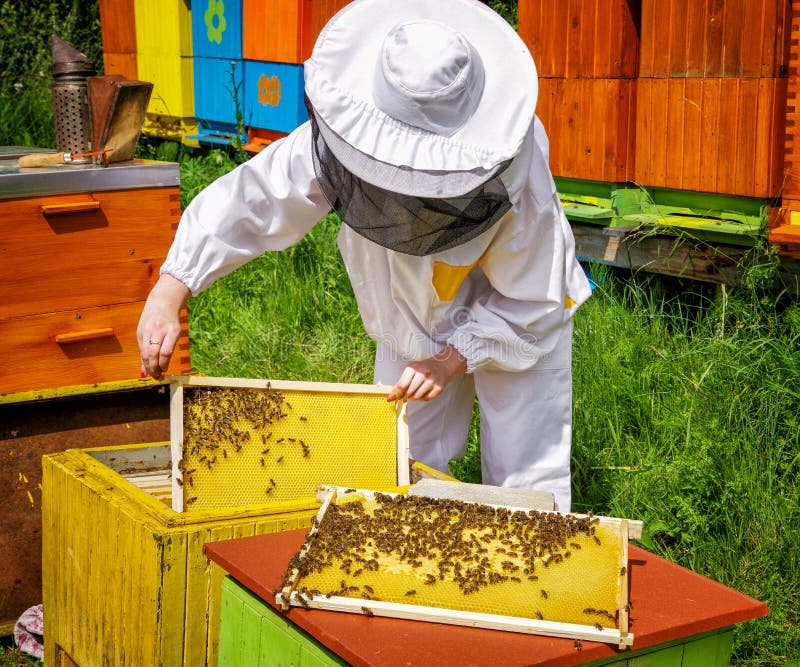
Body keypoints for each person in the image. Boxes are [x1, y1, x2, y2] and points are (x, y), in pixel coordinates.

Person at [137, 0, 592, 512]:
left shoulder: (514, 171)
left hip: (519, 316)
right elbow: (255, 196)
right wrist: (170, 288)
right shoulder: (346, 131)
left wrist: (451, 361)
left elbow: (534, 300)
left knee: (525, 484)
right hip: (410, 314)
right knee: (401, 461)